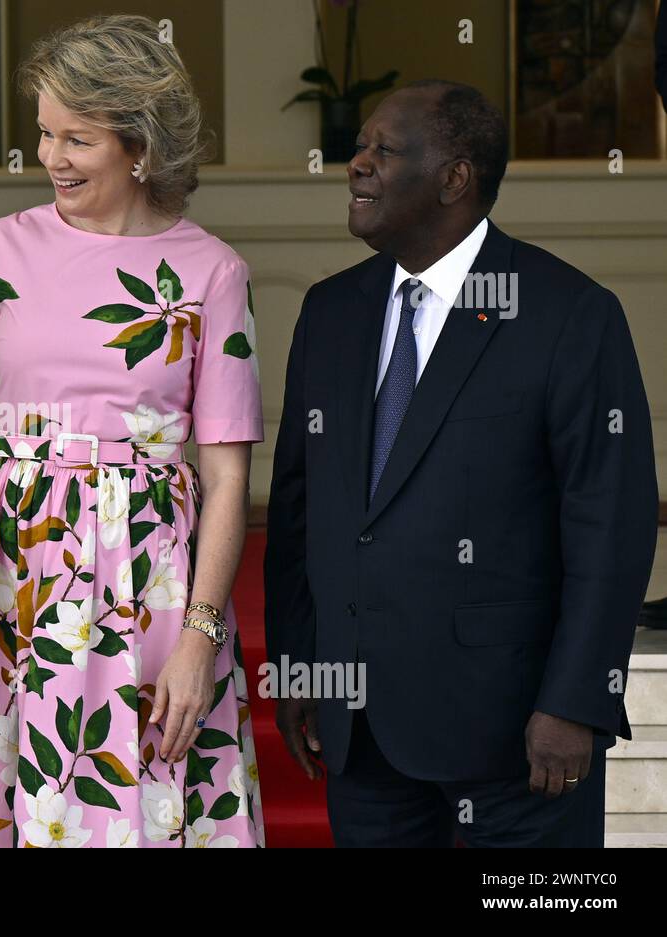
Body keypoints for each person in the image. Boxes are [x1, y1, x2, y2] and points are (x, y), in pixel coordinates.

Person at [0, 14, 264, 848]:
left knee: (131, 800)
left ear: (141, 146)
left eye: (77, 139)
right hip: (0, 572)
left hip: (146, 588)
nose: (51, 157)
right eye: (46, 133)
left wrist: (199, 636)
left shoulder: (213, 271)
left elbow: (228, 476)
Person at [264, 81, 658, 847]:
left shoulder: (568, 313)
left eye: (384, 149)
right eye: (360, 148)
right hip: (362, 736)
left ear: (454, 178)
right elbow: (298, 510)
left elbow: (610, 524)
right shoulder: (330, 312)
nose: (358, 164)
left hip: (517, 738)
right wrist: (302, 668)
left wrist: (577, 701)